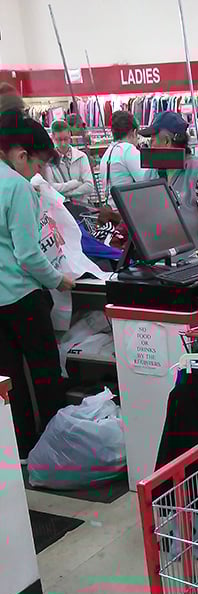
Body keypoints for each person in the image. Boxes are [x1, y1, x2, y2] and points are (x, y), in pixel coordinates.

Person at [0, 109, 74, 458]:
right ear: (20, 154)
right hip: (23, 297)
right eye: (38, 163)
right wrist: (59, 280)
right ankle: (56, 448)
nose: (39, 172)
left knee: (9, 382)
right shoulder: (16, 187)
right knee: (45, 377)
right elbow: (29, 254)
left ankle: (25, 450)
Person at [140, 111, 198, 260]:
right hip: (158, 269)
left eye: (152, 140)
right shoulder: (151, 174)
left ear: (166, 141)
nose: (148, 146)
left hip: (194, 270)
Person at [99, 110, 151, 206]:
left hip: (113, 209)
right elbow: (147, 182)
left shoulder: (108, 152)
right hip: (128, 211)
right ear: (134, 132)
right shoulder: (128, 150)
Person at [45, 119, 95, 203]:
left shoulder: (81, 157)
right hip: (60, 209)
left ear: (70, 134)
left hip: (82, 207)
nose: (63, 143)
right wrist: (74, 183)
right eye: (59, 140)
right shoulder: (48, 160)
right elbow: (50, 188)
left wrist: (66, 193)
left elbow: (89, 186)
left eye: (66, 139)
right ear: (52, 137)